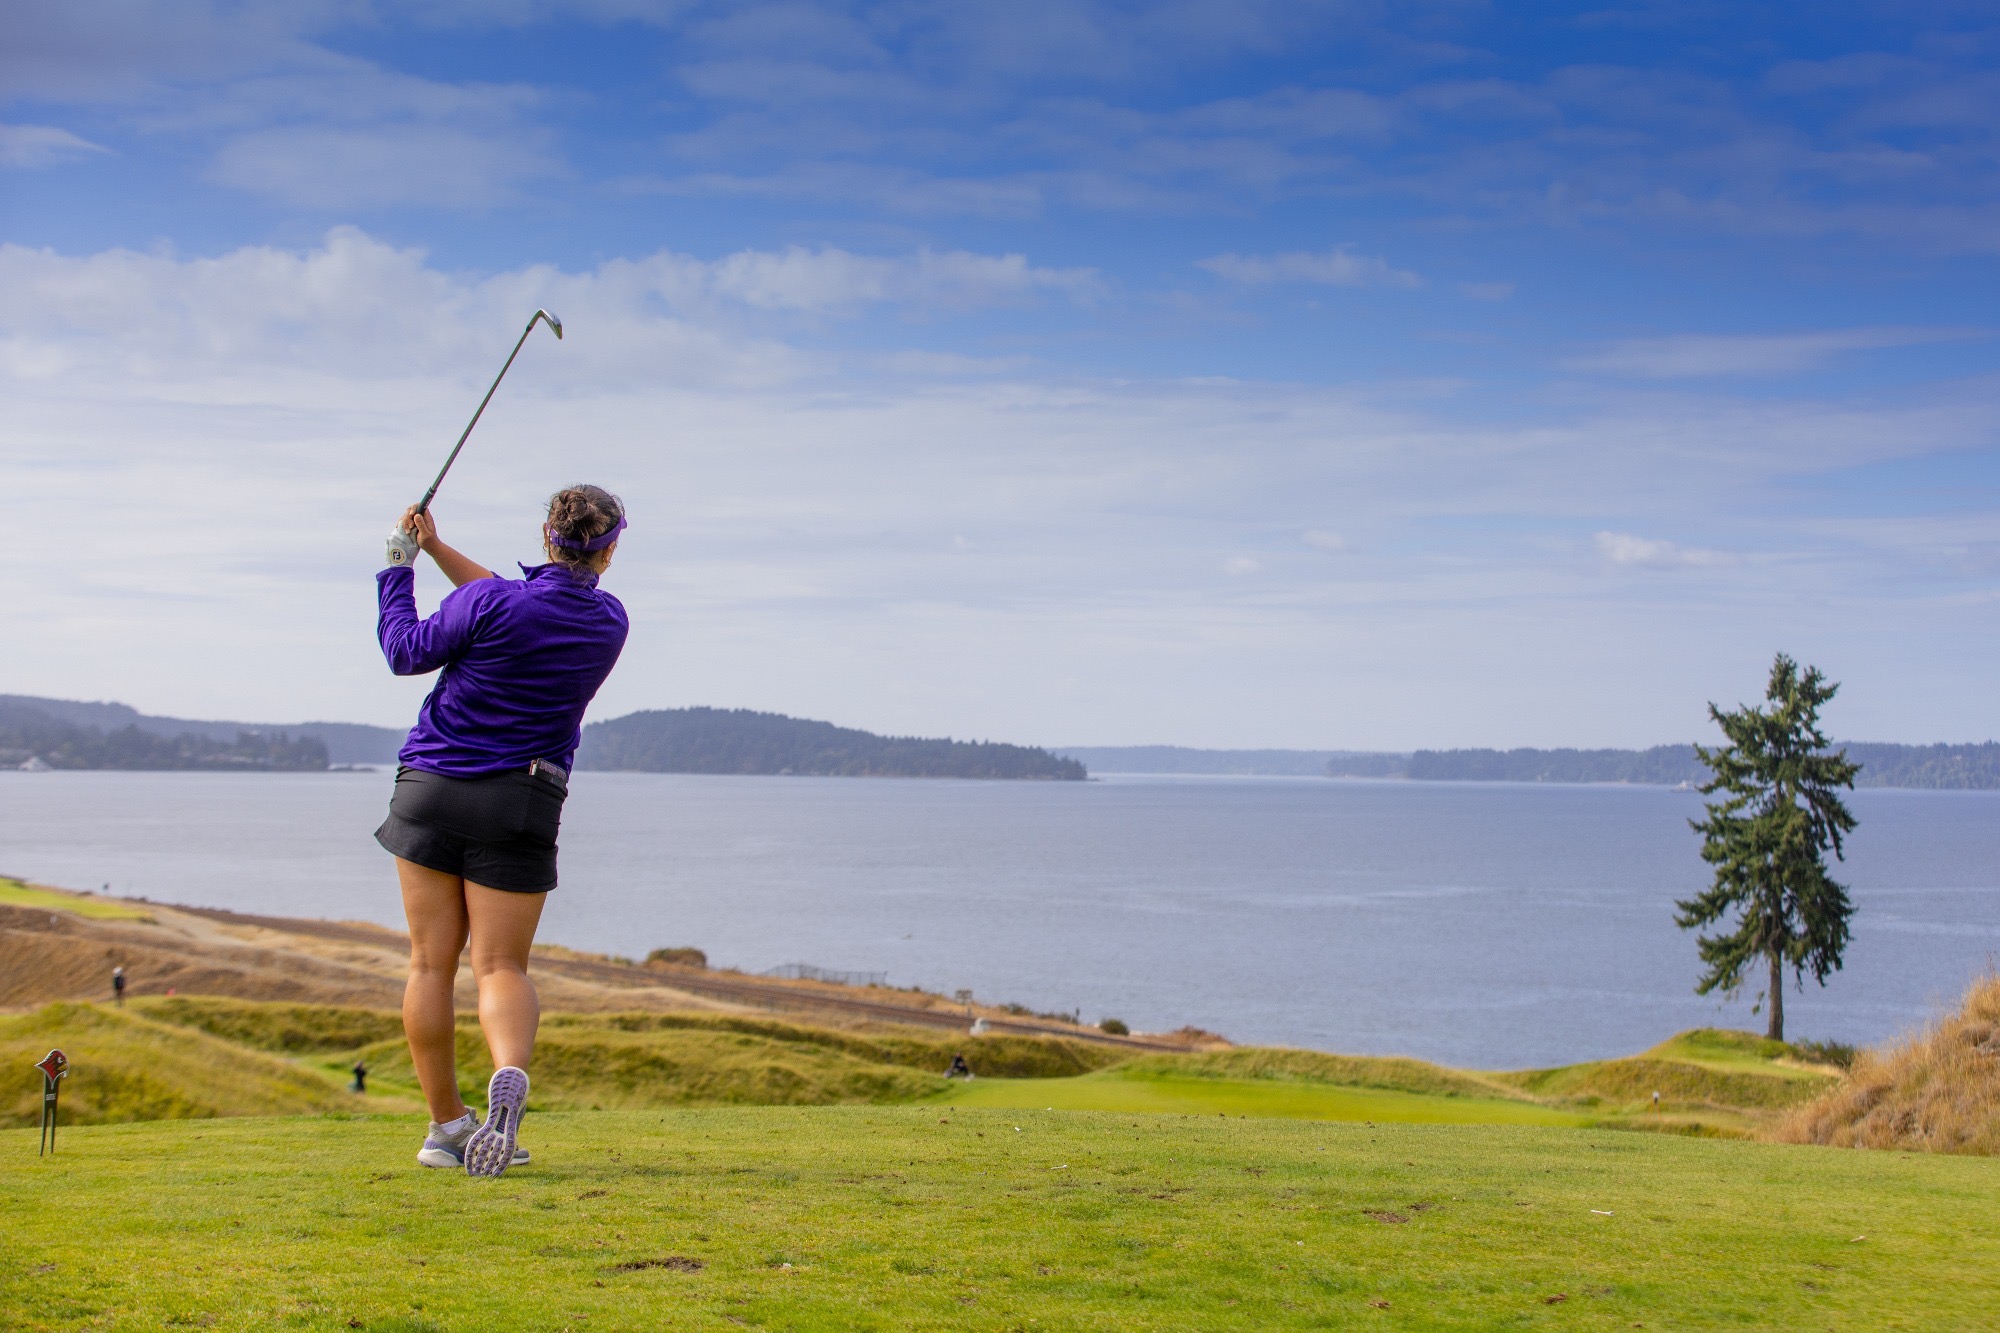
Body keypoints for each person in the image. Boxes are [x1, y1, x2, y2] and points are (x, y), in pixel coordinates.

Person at [373, 486, 630, 1177]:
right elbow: (510, 600)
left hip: (431, 787)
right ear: (608, 550)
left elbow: (406, 650)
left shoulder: (488, 604)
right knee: (500, 967)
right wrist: (435, 547)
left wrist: (400, 568)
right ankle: (506, 1073)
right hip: (521, 798)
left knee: (431, 964)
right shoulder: (608, 620)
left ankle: (444, 1126)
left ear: (546, 536)